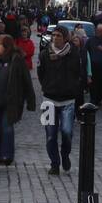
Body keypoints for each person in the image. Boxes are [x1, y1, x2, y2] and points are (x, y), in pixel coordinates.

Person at [0, 34, 36, 166]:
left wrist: (31, 100)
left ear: (6, 46)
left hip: (11, 101)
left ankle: (7, 155)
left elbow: (26, 80)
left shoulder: (16, 60)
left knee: (7, 127)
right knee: (0, 129)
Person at [39, 27, 82, 175]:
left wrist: (73, 87)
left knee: (67, 132)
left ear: (65, 38)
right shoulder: (45, 54)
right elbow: (41, 73)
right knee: (50, 135)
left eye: (59, 36)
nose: (55, 38)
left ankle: (65, 154)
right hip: (49, 101)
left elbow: (78, 73)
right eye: (54, 35)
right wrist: (47, 86)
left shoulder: (73, 54)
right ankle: (54, 163)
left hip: (67, 101)